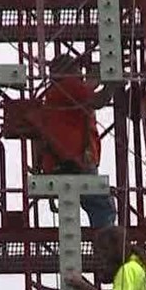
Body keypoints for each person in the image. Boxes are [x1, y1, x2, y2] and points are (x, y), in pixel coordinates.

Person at [32, 54, 120, 229]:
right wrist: (112, 83)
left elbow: (88, 88)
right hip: (76, 163)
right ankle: (107, 244)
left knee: (93, 204)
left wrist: (99, 78)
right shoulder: (69, 86)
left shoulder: (58, 92)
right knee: (102, 206)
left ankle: (103, 241)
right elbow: (98, 100)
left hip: (61, 163)